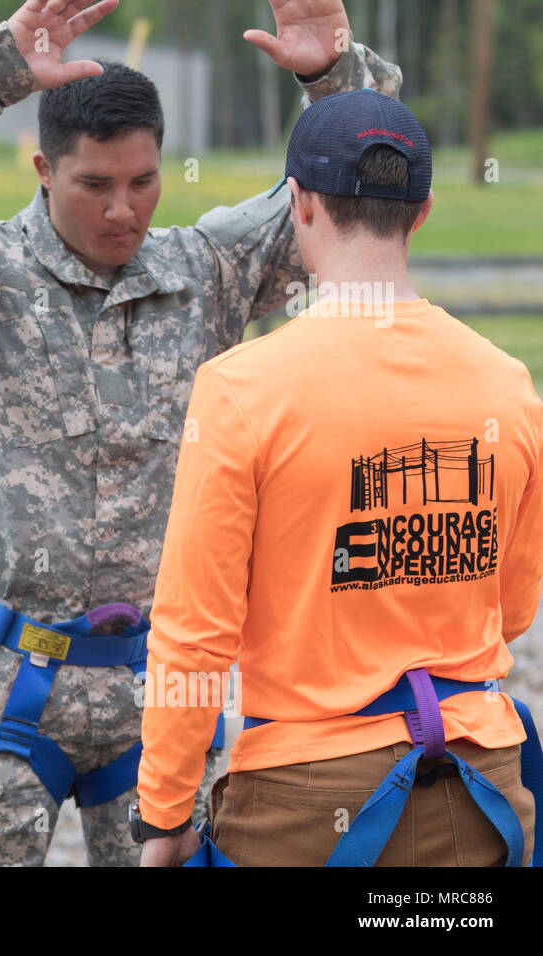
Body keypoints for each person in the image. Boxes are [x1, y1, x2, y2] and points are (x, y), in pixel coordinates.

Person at [0, 0, 402, 866]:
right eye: (95, 184)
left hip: (166, 687)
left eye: (143, 181)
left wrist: (332, 77)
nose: (123, 210)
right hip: (2, 687)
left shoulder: (206, 270)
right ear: (44, 169)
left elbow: (361, 182)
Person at [137, 90, 542, 867]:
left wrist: (164, 817)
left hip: (305, 796)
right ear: (420, 212)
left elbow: (193, 637)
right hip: (478, 783)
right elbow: (511, 608)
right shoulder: (509, 385)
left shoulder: (242, 388)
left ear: (300, 202)